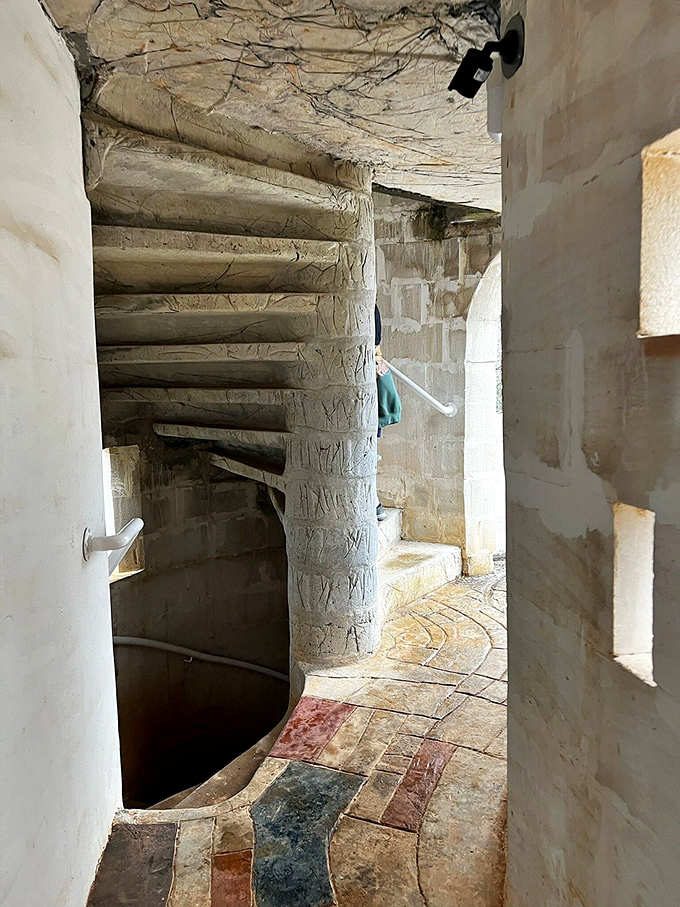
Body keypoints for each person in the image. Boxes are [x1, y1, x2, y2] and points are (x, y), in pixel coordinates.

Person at [375, 305, 402, 521]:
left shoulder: (371, 310)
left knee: (368, 447)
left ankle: (372, 501)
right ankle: (373, 502)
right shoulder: (372, 309)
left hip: (369, 384)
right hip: (370, 381)